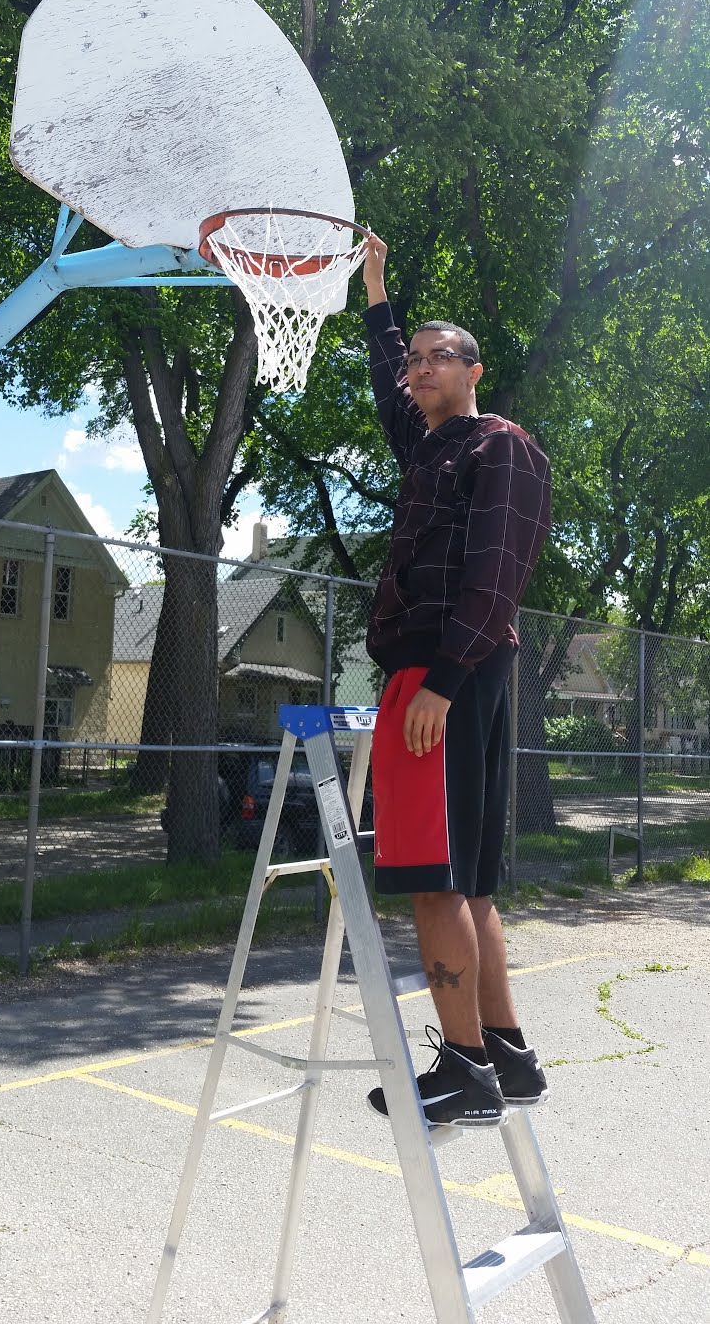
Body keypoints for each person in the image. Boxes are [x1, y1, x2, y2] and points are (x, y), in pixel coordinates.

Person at [361, 234, 551, 1129]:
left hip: (447, 676)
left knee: (435, 881)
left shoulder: (497, 445)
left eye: (439, 356)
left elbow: (497, 573)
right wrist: (376, 293)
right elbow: (385, 389)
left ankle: (464, 1068)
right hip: (443, 672)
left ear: (475, 370)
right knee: (469, 885)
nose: (420, 369)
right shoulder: (430, 447)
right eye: (414, 360)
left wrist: (439, 680)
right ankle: (507, 1053)